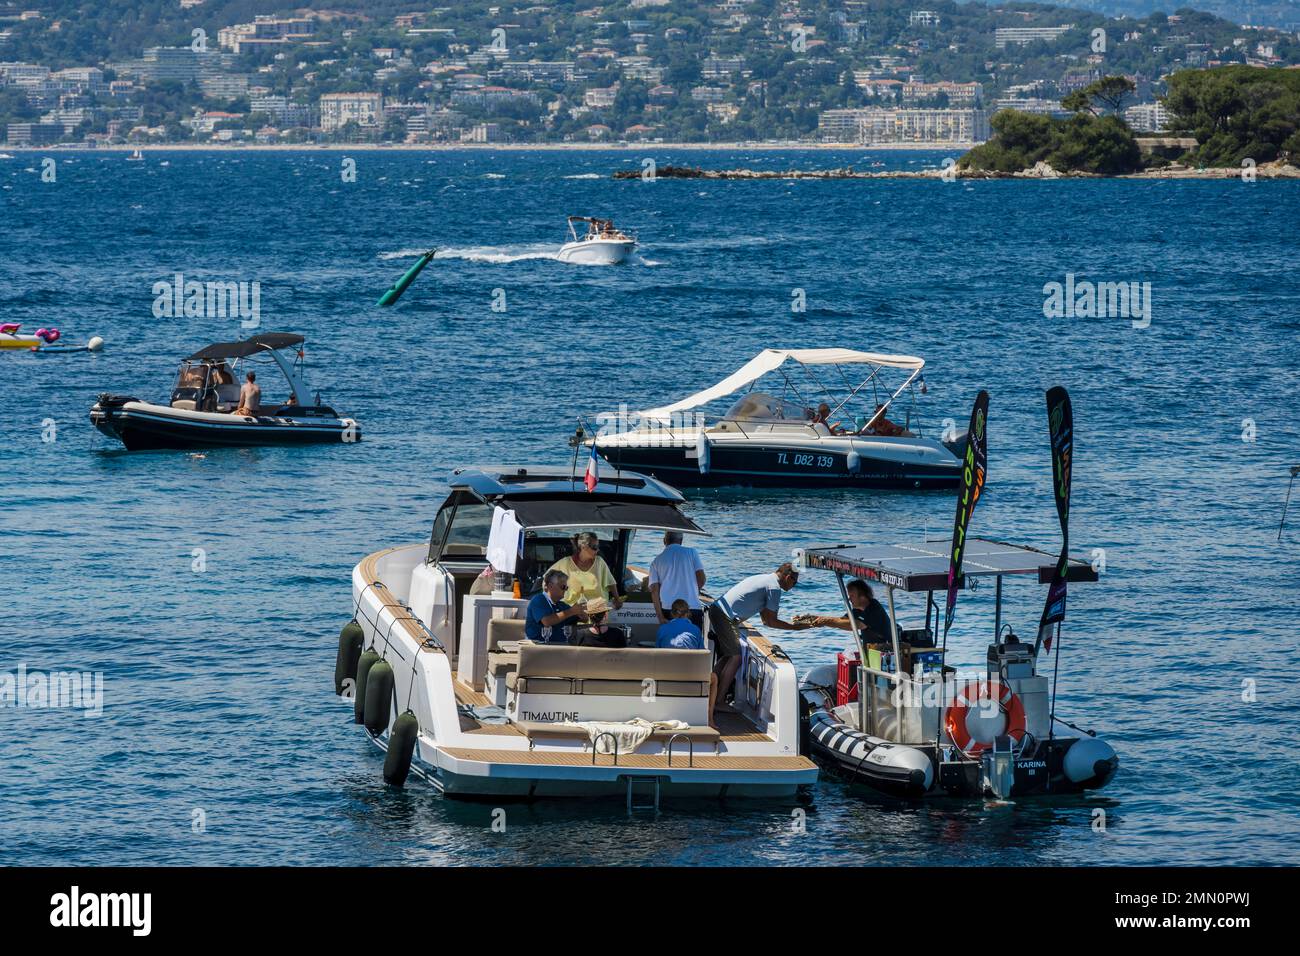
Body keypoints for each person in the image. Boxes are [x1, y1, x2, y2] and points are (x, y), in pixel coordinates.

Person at [712, 562, 812, 719]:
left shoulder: (765, 579)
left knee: (727, 656)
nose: (795, 585)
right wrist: (796, 628)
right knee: (736, 657)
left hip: (718, 610)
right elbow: (771, 622)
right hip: (725, 617)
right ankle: (718, 701)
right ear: (787, 577)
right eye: (795, 581)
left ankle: (708, 693)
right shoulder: (774, 588)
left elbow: (765, 619)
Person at [547, 532, 622, 608]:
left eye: (598, 546)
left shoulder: (599, 562)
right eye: (594, 547)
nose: (598, 550)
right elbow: (547, 578)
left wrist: (617, 599)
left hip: (597, 611)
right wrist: (549, 600)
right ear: (583, 547)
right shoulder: (565, 563)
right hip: (572, 610)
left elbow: (611, 582)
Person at [806, 579, 892, 642]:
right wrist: (814, 618)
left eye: (852, 596)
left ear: (862, 597)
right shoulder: (857, 610)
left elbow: (856, 625)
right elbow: (841, 621)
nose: (849, 599)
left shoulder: (874, 608)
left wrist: (825, 621)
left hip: (885, 651)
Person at [649, 531, 705, 627]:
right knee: (692, 639)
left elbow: (654, 590)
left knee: (671, 640)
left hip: (669, 609)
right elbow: (701, 579)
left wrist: (660, 617)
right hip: (692, 607)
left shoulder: (656, 561)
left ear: (664, 541)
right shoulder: (692, 552)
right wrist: (693, 591)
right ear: (681, 540)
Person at [525, 570, 587, 644]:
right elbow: (547, 621)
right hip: (538, 647)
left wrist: (581, 612)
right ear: (550, 586)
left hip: (558, 647)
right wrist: (572, 611)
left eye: (566, 588)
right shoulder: (538, 599)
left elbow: (584, 619)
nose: (565, 590)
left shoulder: (561, 605)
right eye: (563, 587)